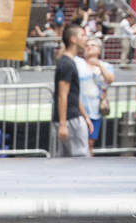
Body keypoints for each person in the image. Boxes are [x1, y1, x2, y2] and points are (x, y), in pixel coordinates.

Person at [54, 24, 91, 157]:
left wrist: (85, 116)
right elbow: (62, 95)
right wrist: (63, 124)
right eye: (83, 35)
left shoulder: (69, 62)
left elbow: (72, 95)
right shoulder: (66, 64)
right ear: (73, 39)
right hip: (70, 119)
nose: (85, 39)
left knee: (66, 160)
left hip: (72, 117)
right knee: (79, 158)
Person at [78, 36, 113, 156]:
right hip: (79, 108)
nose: (89, 47)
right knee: (79, 142)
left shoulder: (106, 66)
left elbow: (110, 79)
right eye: (87, 45)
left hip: (95, 109)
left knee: (90, 142)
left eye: (92, 45)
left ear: (99, 49)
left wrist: (98, 65)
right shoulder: (78, 63)